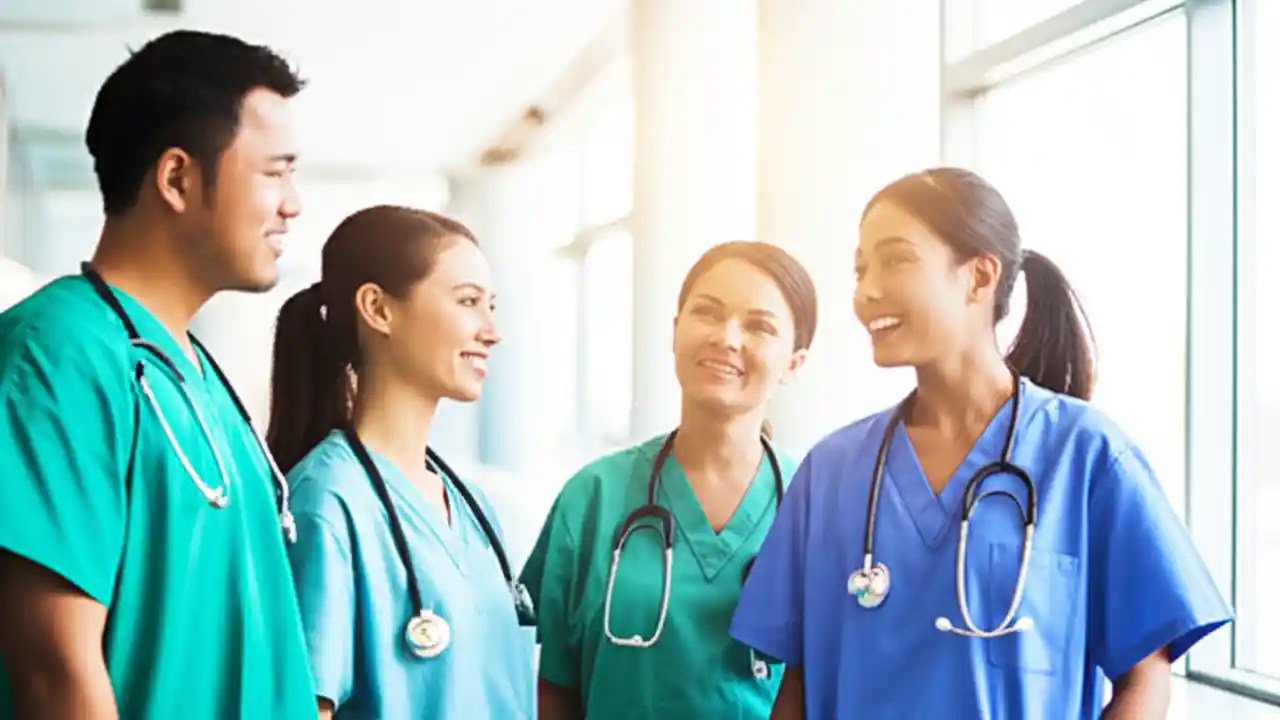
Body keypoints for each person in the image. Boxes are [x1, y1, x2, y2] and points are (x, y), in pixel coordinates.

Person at [730, 167, 1234, 718]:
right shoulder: (831, 472)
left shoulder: (1086, 456)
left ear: (979, 276)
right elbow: (797, 686)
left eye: (895, 259)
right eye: (860, 269)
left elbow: (1144, 679)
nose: (866, 291)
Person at [0, 30, 314, 719]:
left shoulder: (198, 377)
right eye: (274, 172)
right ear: (177, 178)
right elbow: (54, 674)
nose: (293, 203)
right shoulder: (60, 353)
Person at [521, 241, 817, 719]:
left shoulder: (818, 506)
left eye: (759, 326)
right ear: (676, 332)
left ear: (794, 364)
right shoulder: (593, 497)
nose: (728, 337)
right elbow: (556, 686)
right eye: (708, 313)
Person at [267, 205, 535, 719]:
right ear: (379, 309)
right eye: (468, 302)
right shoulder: (326, 504)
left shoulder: (470, 505)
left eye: (492, 305)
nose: (491, 330)